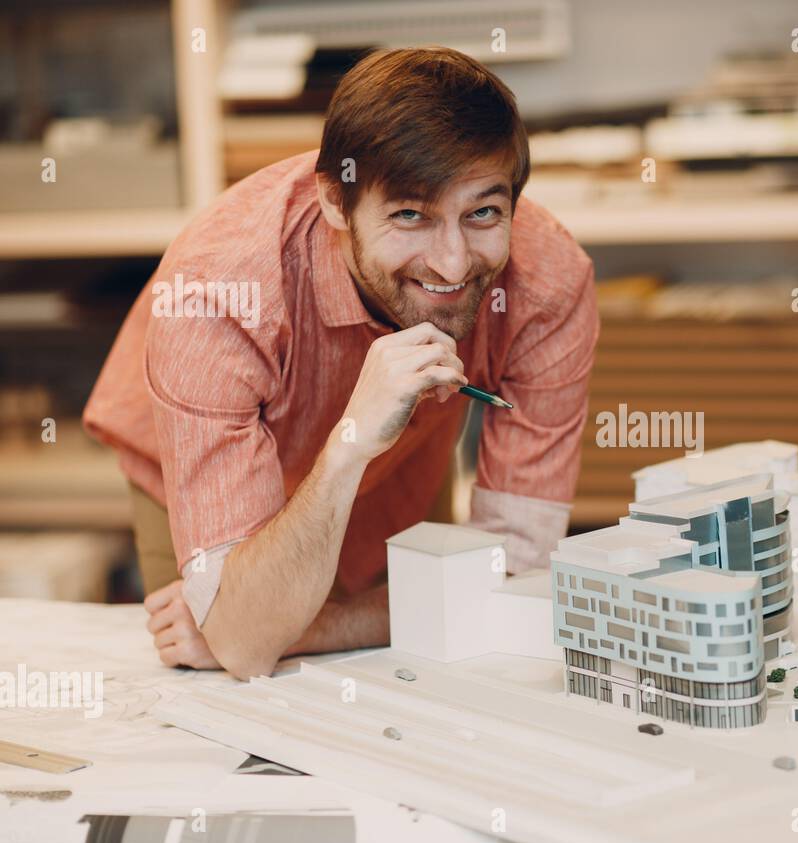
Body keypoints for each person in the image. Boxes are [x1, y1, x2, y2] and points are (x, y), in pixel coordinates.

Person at [83, 47, 599, 679]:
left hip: (403, 460)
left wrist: (309, 627)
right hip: (198, 460)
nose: (454, 264)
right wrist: (351, 445)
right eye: (410, 215)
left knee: (422, 672)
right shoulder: (214, 295)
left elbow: (512, 576)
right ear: (334, 202)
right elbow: (246, 647)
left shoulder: (548, 283)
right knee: (221, 697)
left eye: (483, 213)